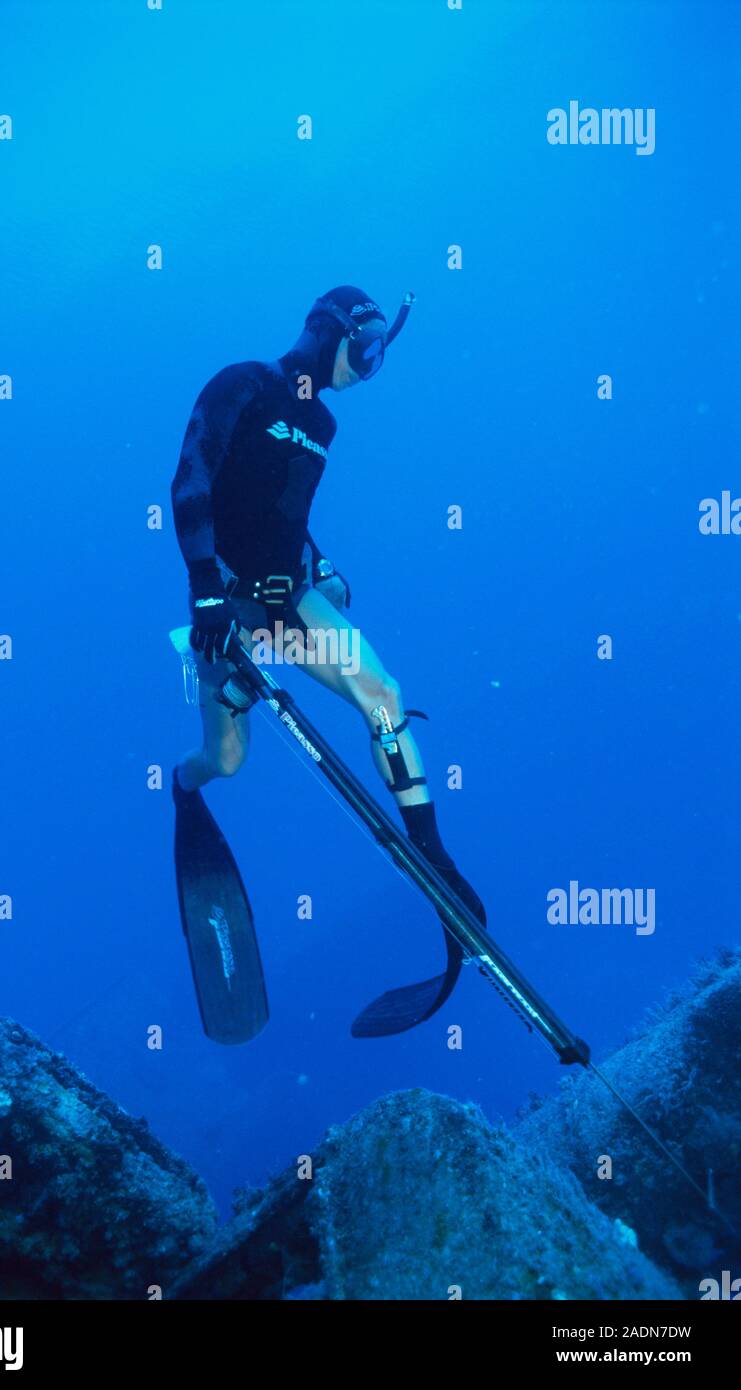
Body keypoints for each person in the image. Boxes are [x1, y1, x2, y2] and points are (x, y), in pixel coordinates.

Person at [170, 285, 486, 1020]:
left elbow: (285, 510)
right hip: (225, 602)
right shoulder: (243, 383)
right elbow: (190, 482)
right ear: (327, 331)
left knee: (382, 693)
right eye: (365, 350)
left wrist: (318, 561)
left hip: (287, 600)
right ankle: (183, 785)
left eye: (380, 358)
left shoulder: (321, 423)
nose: (370, 368)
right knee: (227, 761)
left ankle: (432, 855)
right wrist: (207, 594)